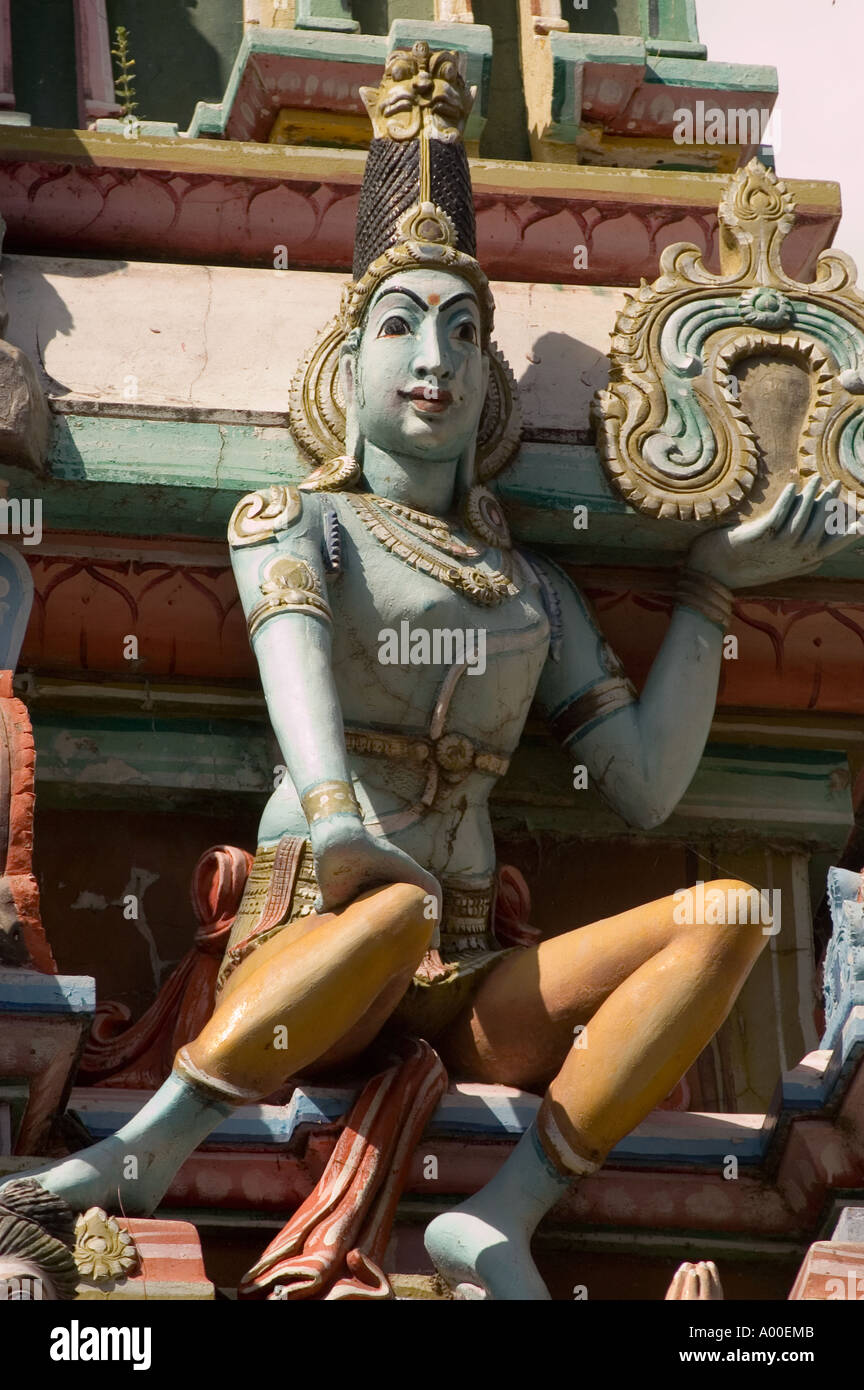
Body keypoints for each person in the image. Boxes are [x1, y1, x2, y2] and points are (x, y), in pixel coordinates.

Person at [5, 43, 860, 1300]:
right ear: (343, 372)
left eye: (466, 331)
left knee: (730, 914)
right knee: (388, 905)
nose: (436, 358)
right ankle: (150, 1146)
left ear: (490, 383)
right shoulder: (296, 528)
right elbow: (301, 699)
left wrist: (714, 589)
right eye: (400, 325)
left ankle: (503, 1215)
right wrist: (346, 825)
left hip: (459, 977)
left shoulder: (532, 592)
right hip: (313, 944)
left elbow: (644, 791)